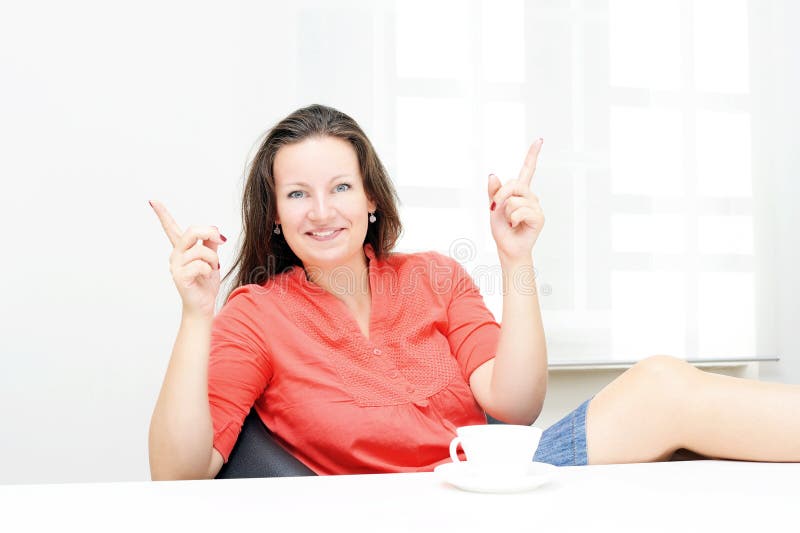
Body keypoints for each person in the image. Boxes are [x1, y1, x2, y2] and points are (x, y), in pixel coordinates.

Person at [148, 104, 800, 480]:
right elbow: (180, 474)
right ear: (275, 215)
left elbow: (514, 405)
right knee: (666, 395)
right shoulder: (256, 313)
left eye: (341, 187)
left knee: (661, 384)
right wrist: (194, 314)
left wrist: (516, 258)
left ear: (371, 198)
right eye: (298, 194)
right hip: (407, 506)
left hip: (496, 482)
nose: (322, 210)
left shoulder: (433, 274)